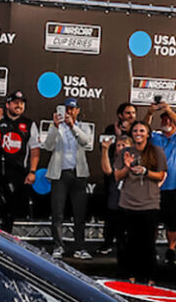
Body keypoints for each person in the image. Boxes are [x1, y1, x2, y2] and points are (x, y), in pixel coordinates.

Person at [108, 120, 167, 282]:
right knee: (129, 244)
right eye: (135, 131)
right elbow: (117, 176)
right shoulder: (125, 152)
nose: (138, 134)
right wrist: (127, 167)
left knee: (147, 244)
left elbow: (161, 175)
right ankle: (130, 276)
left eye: (142, 131)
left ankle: (149, 277)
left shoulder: (157, 151)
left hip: (149, 204)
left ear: (148, 134)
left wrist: (146, 171)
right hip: (128, 204)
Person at [40, 99, 93, 260]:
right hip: (60, 175)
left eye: (72, 109)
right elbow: (48, 146)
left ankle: (80, 247)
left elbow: (85, 141)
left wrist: (72, 126)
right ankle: (58, 246)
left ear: (77, 110)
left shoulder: (83, 126)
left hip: (79, 174)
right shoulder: (55, 127)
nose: (69, 112)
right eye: (66, 109)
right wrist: (56, 127)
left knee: (79, 214)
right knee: (57, 213)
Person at [0, 90, 40, 234]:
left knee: (11, 210)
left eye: (21, 103)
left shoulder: (29, 124)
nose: (19, 106)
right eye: (16, 103)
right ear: (8, 104)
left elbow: (35, 150)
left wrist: (33, 171)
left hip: (18, 172)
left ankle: (7, 237)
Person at [150, 101, 176, 266]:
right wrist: (150, 113)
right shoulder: (155, 137)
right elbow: (141, 132)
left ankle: (171, 249)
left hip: (175, 187)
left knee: (173, 222)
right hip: (155, 187)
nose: (167, 122)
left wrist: (170, 110)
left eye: (170, 119)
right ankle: (151, 249)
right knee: (153, 220)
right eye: (164, 119)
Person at [98, 102, 138, 255]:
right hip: (113, 180)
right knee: (111, 211)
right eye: (128, 113)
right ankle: (107, 243)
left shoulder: (137, 131)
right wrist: (115, 137)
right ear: (120, 115)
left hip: (130, 185)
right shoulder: (110, 129)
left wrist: (128, 134)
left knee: (127, 217)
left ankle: (127, 246)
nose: (131, 116)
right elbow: (107, 166)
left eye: (133, 113)